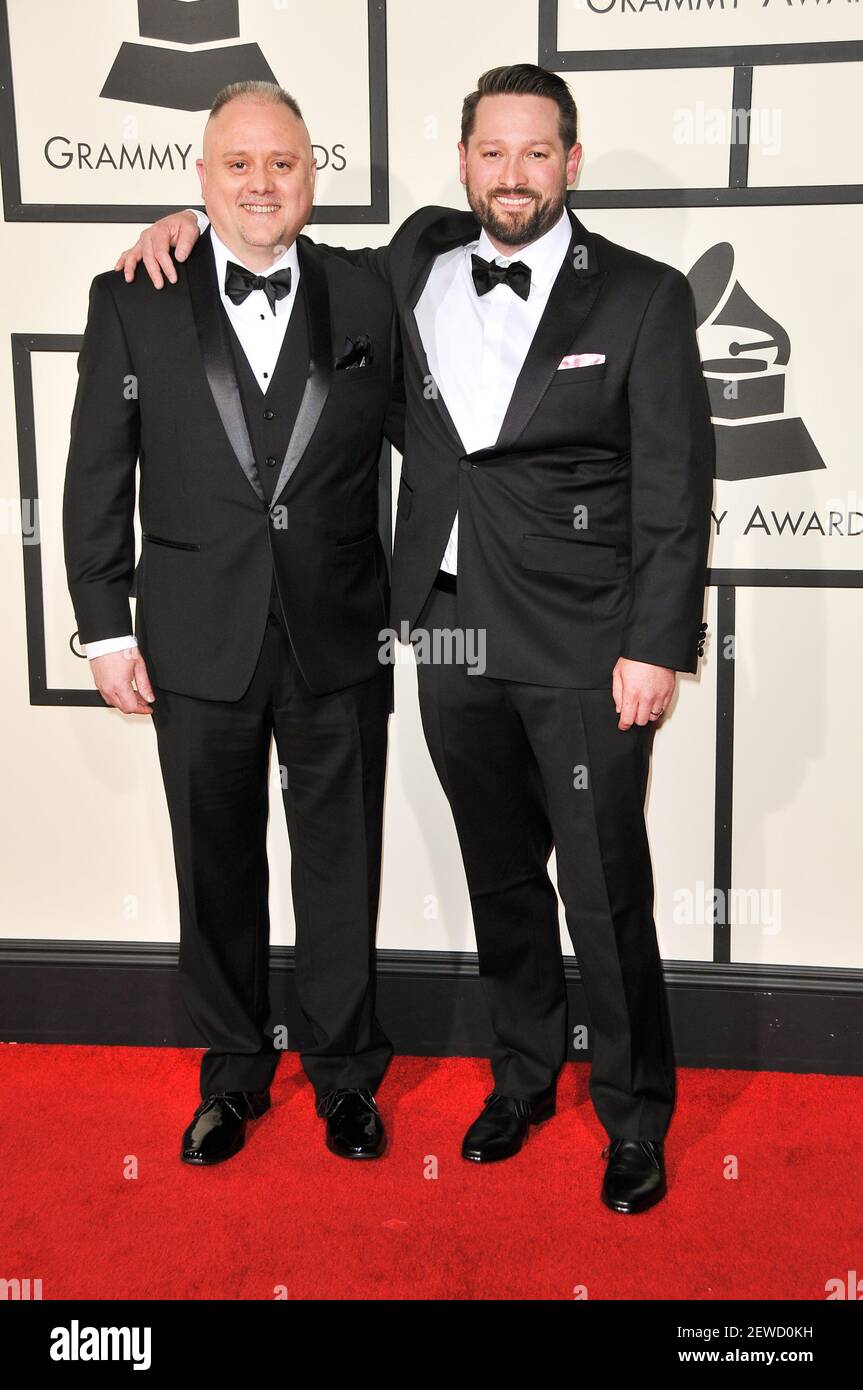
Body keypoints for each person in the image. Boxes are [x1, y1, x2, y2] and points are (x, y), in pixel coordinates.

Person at [115, 63, 714, 1213]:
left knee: (602, 885)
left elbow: (677, 487)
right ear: (461, 164)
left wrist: (653, 640)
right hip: (444, 629)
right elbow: (264, 235)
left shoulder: (641, 295)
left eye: (536, 152)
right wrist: (189, 222)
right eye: (491, 151)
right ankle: (525, 1078)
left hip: (588, 639)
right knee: (498, 877)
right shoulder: (412, 267)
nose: (512, 174)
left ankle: (633, 1117)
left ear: (571, 164)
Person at [64, 81, 404, 1167]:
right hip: (191, 634)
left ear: (315, 173)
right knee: (214, 868)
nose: (261, 184)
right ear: (201, 177)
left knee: (340, 866)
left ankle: (346, 1075)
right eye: (238, 165)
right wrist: (102, 627)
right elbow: (93, 475)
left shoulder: (367, 293)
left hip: (337, 634)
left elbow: (459, 229)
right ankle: (232, 1076)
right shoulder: (132, 296)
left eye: (284, 164)